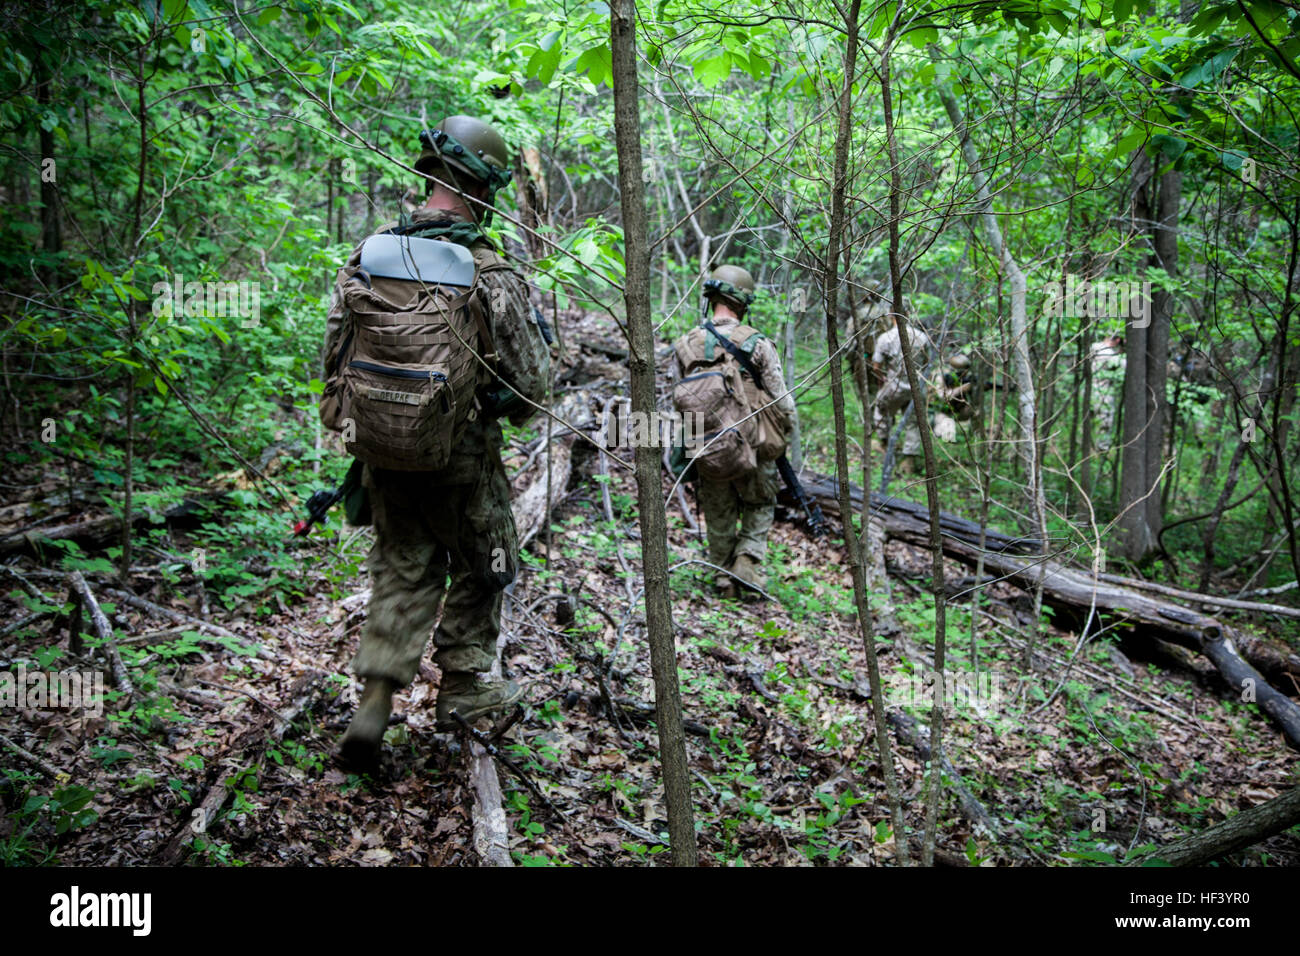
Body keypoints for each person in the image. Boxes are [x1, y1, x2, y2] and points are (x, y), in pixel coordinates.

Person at [320, 115, 551, 769]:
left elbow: (332, 360)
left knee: (401, 567)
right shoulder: (488, 271)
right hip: (461, 460)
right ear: (485, 189)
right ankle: (465, 685)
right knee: (492, 560)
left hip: (381, 457)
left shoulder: (367, 256)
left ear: (428, 172)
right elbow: (535, 383)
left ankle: (375, 700)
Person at [670, 265, 795, 598]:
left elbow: (675, 403)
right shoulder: (758, 344)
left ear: (711, 299)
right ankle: (747, 565)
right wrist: (785, 440)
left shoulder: (684, 345)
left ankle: (723, 579)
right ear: (743, 302)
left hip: (707, 445)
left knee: (718, 511)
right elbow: (782, 402)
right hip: (754, 444)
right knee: (759, 505)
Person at [871, 310, 933, 473]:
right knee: (914, 422)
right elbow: (928, 364)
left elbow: (876, 366)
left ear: (891, 316)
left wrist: (883, 378)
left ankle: (884, 445)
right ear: (907, 315)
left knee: (881, 410)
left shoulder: (885, 338)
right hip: (916, 388)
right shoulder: (921, 336)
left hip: (894, 386)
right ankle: (909, 460)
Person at [1089, 334, 1125, 452]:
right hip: (1103, 394)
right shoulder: (1109, 354)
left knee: (1089, 421)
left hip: (1089, 390)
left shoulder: (1094, 347)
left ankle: (1088, 447)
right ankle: (1101, 450)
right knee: (1105, 421)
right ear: (1118, 340)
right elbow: (1123, 366)